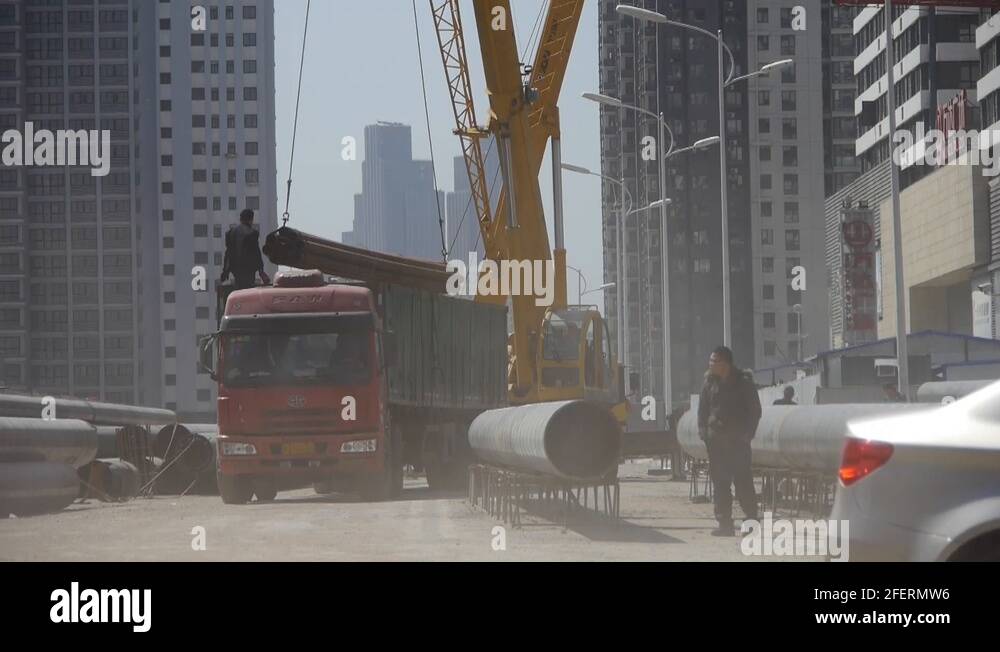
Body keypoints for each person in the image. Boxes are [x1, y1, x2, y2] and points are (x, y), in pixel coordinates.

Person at [697, 346, 762, 537]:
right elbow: (702, 411)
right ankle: (724, 523)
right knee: (720, 483)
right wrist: (704, 433)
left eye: (713, 361)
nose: (710, 364)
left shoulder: (744, 383)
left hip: (738, 442)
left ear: (724, 364)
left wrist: (748, 434)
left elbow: (755, 411)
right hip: (716, 443)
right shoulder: (709, 383)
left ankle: (751, 522)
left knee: (743, 482)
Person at [222, 209, 270, 291]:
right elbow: (256, 253)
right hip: (249, 270)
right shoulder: (253, 233)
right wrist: (261, 271)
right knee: (248, 290)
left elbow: (228, 253)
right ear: (251, 219)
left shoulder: (230, 233)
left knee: (239, 288)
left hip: (236, 269)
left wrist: (225, 271)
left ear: (240, 219)